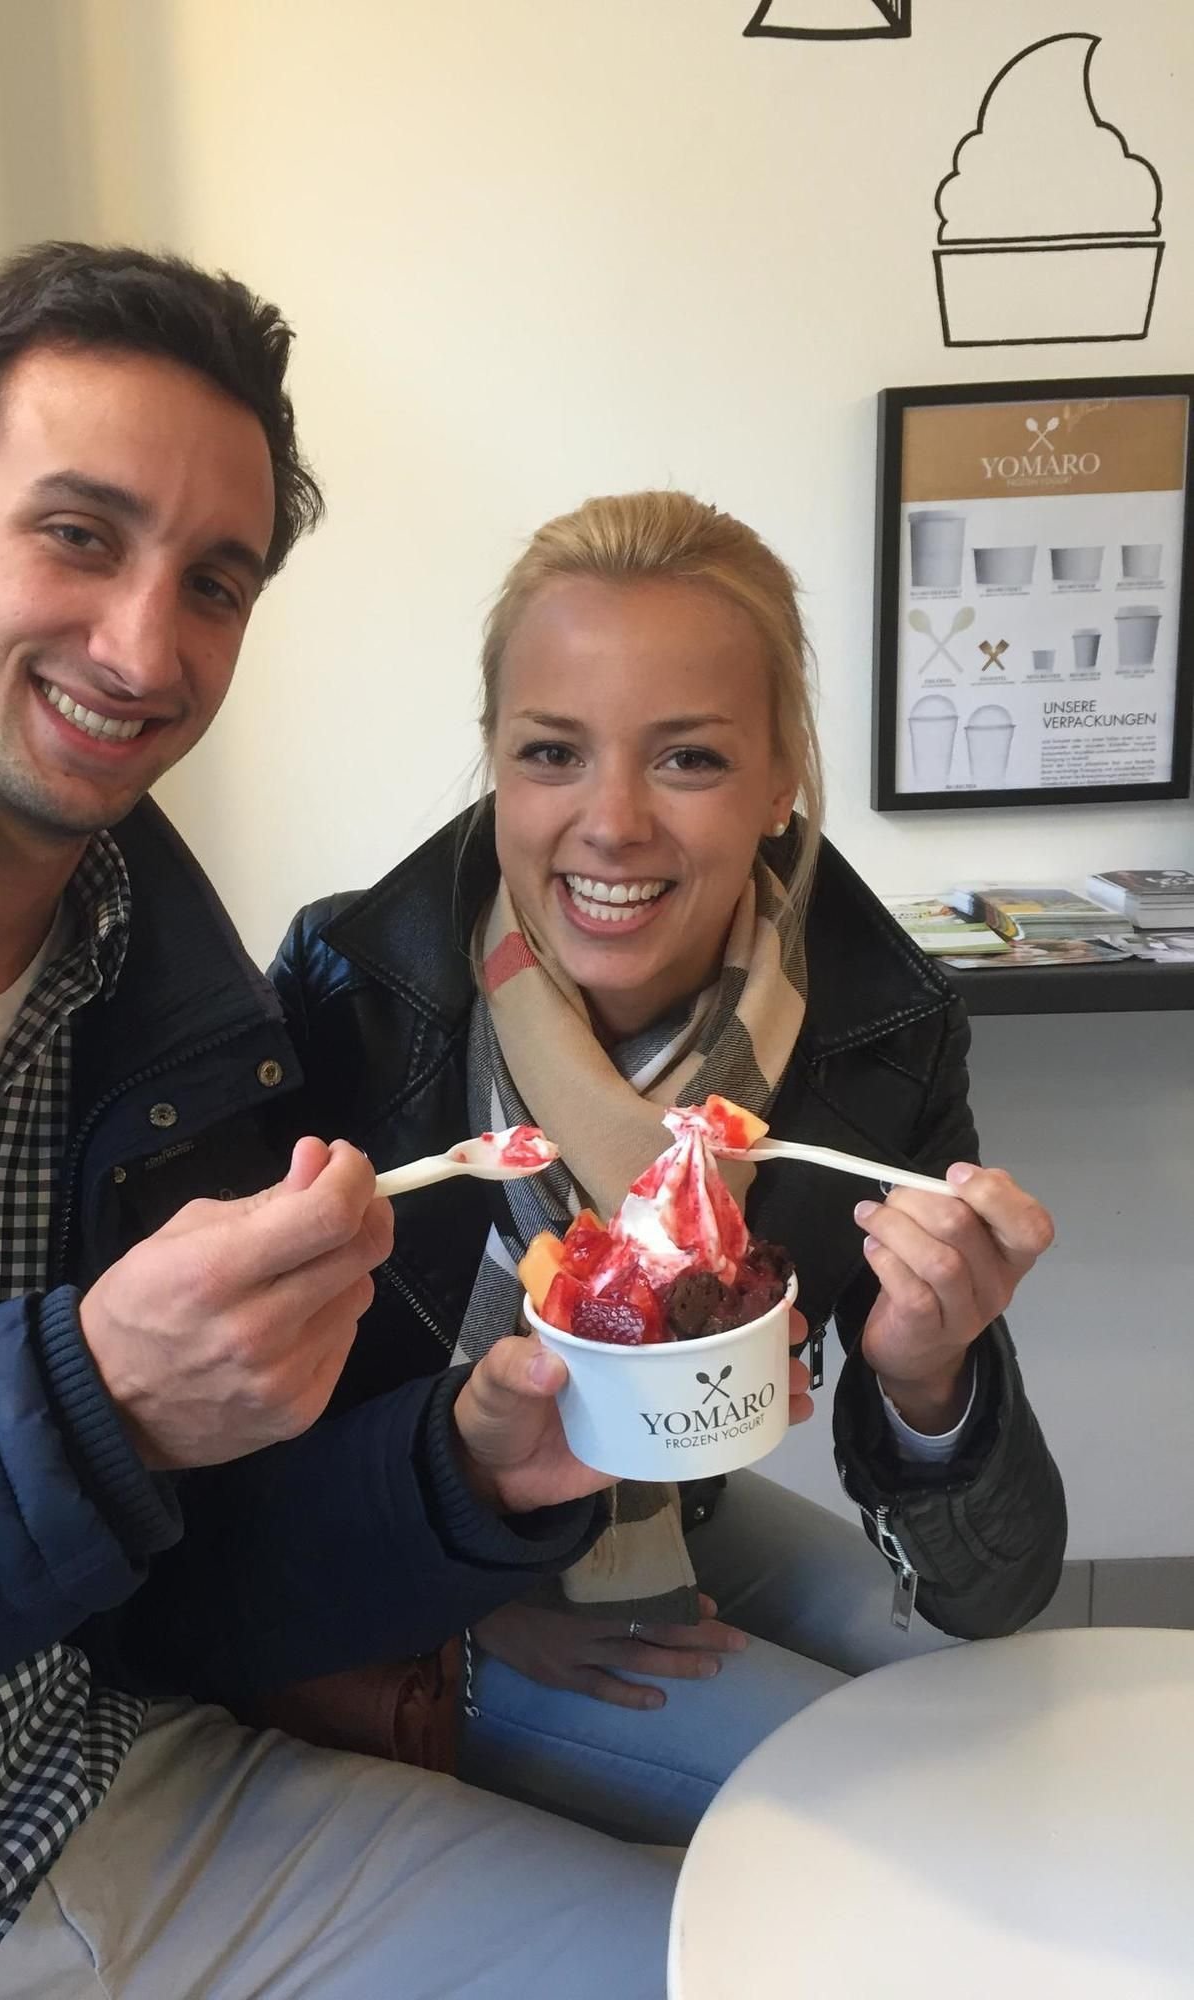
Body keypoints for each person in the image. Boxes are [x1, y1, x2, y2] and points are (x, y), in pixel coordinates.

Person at [0, 249, 684, 1999]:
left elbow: (197, 1587)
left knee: (735, 1954)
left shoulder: (191, 1010)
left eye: (214, 583)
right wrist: (80, 1402)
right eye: (78, 535)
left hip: (107, 1794)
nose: (145, 649)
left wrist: (464, 1473)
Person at [272, 490, 1067, 1845]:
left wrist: (930, 1376)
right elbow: (244, 1471)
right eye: (552, 753)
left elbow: (998, 1590)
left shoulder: (879, 1030)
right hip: (410, 1587)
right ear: (495, 760)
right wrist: (474, 1586)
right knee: (914, 1820)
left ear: (781, 781)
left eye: (689, 758)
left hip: (671, 1518)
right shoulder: (350, 995)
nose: (613, 822)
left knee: (997, 1706)